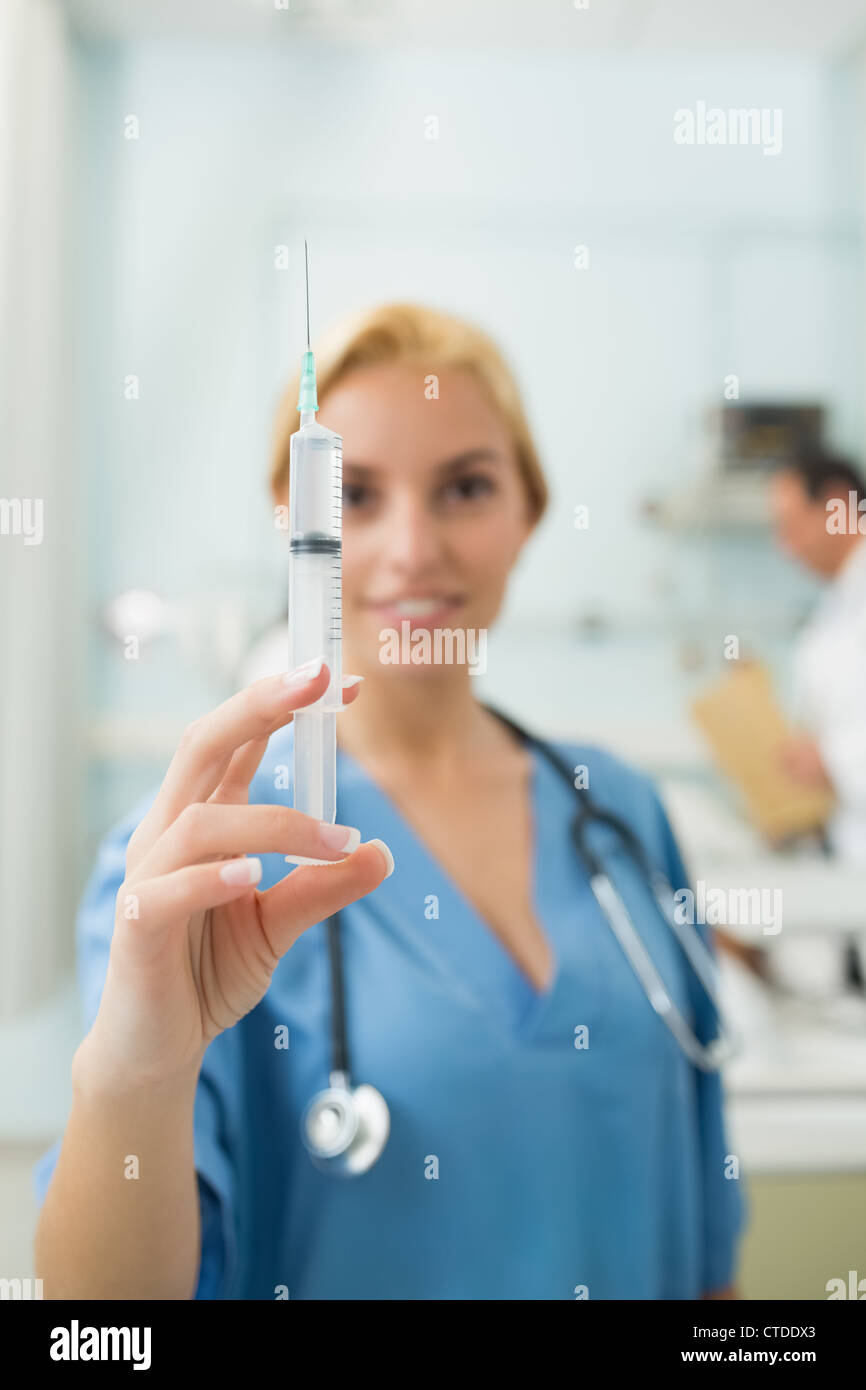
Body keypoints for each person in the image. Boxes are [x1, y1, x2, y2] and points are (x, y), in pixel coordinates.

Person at [33, 303, 745, 1300]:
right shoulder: (194, 862)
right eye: (355, 496)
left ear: (525, 512)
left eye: (463, 487)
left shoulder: (618, 809)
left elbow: (705, 1249)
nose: (412, 548)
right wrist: (130, 1077)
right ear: (295, 519)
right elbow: (103, 1322)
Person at [768, 450, 866, 866]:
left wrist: (832, 760)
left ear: (838, 506)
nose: (786, 547)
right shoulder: (834, 609)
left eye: (792, 525)